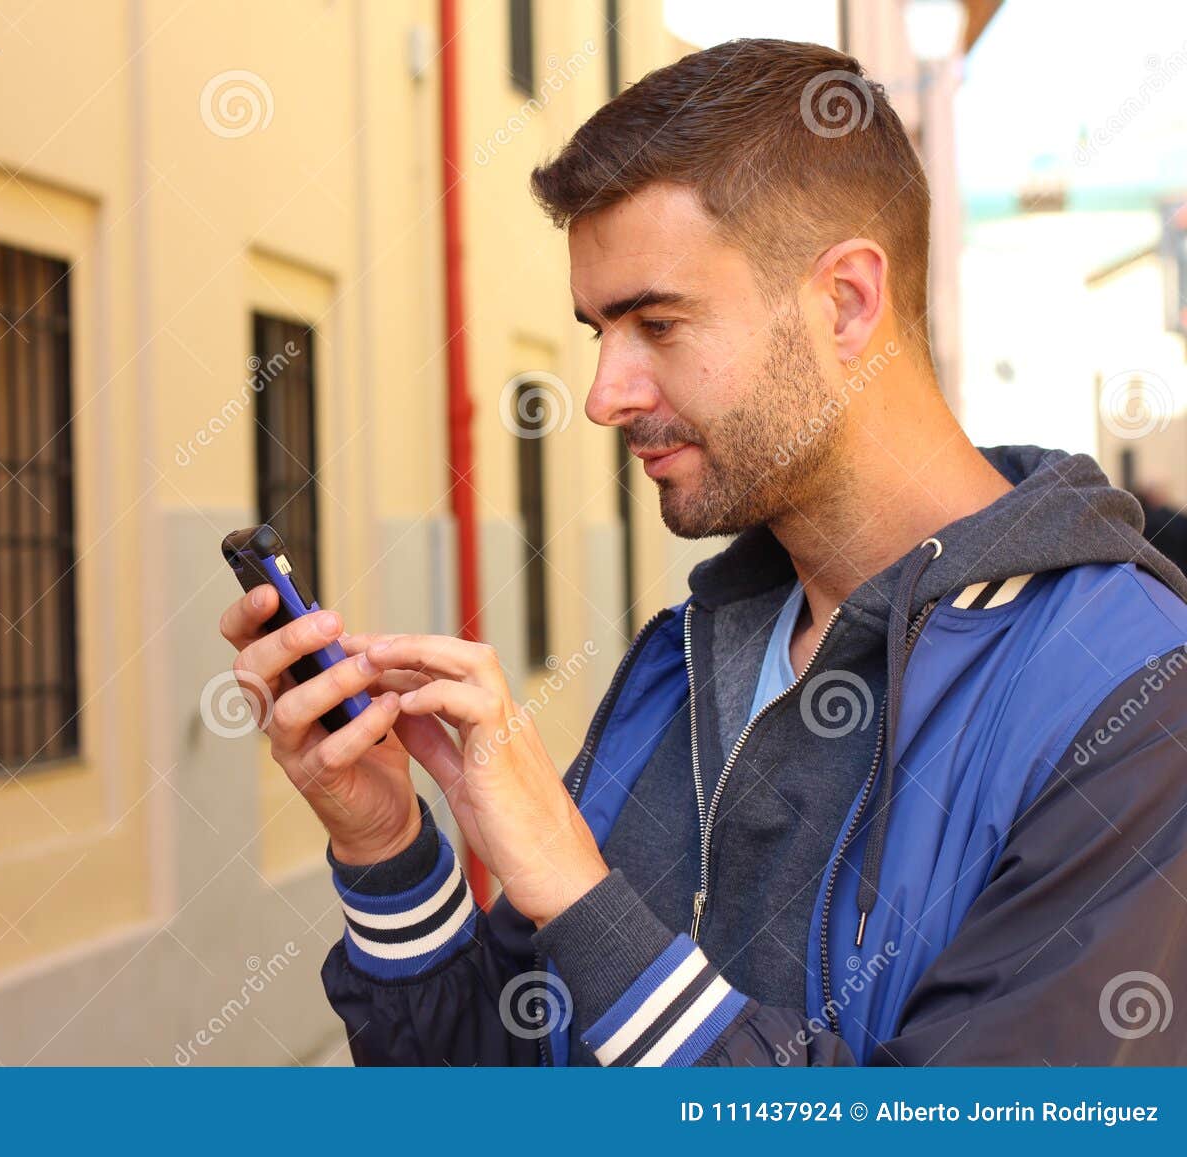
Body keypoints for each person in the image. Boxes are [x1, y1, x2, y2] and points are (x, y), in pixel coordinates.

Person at [218, 38, 1187, 1066]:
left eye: (657, 323)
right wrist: (386, 844)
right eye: (597, 329)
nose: (603, 394)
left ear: (847, 302)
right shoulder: (673, 666)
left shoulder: (1133, 698)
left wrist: (580, 893)